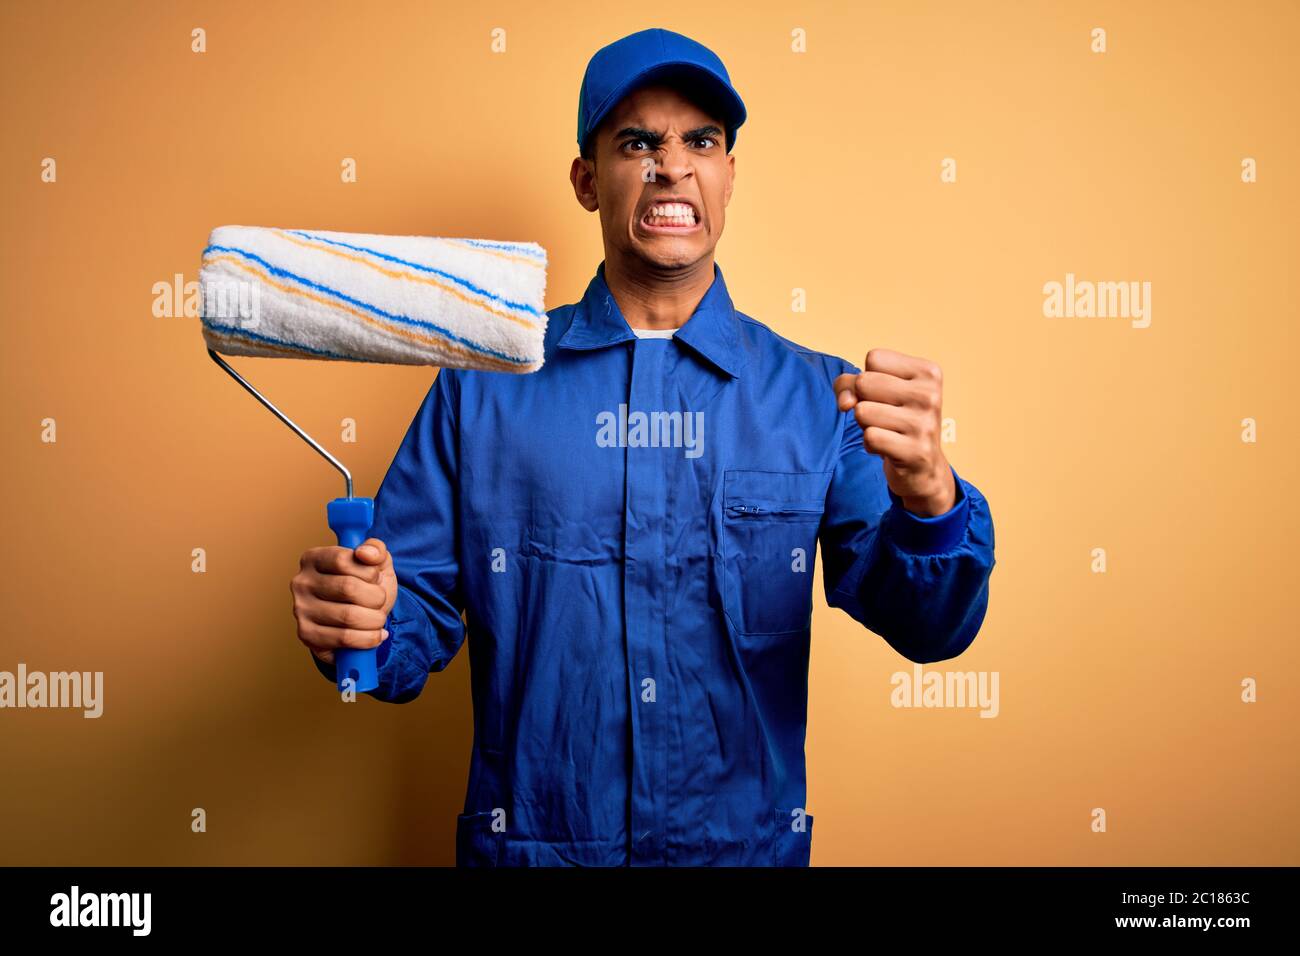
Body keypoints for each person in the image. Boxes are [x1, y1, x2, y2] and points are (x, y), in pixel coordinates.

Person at [289, 27, 996, 866]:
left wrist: (930, 499)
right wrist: (358, 624)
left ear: (730, 176)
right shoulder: (479, 390)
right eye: (639, 142)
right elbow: (405, 629)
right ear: (589, 181)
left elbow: (930, 630)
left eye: (702, 141)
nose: (674, 165)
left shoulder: (821, 400)